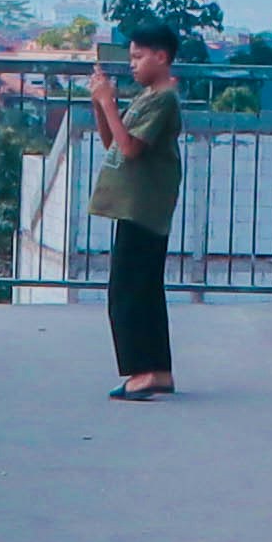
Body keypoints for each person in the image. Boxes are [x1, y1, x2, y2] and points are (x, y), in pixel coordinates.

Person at [87, 27, 183, 396]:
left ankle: (142, 370)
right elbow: (114, 140)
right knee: (144, 288)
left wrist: (109, 103)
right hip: (134, 204)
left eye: (138, 57)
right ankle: (157, 369)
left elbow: (130, 150)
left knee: (127, 291)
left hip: (144, 204)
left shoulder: (163, 99)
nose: (133, 65)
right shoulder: (147, 97)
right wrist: (100, 104)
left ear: (161, 57)